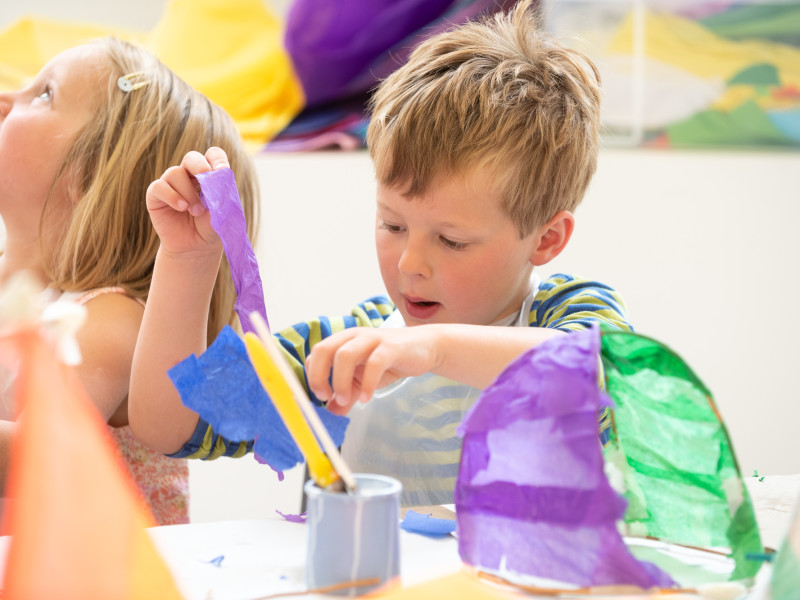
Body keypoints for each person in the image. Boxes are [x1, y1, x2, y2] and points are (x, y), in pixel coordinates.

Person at [129, 0, 632, 506]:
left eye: (452, 240)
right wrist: (185, 260)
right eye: (392, 224)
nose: (409, 262)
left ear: (546, 240)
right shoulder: (352, 351)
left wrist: (433, 349)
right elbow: (168, 425)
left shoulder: (571, 315)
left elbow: (591, 377)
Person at [0, 37, 258, 524]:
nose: (4, 100)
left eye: (43, 94)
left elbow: (33, 458)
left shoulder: (107, 320)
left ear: (87, 174)